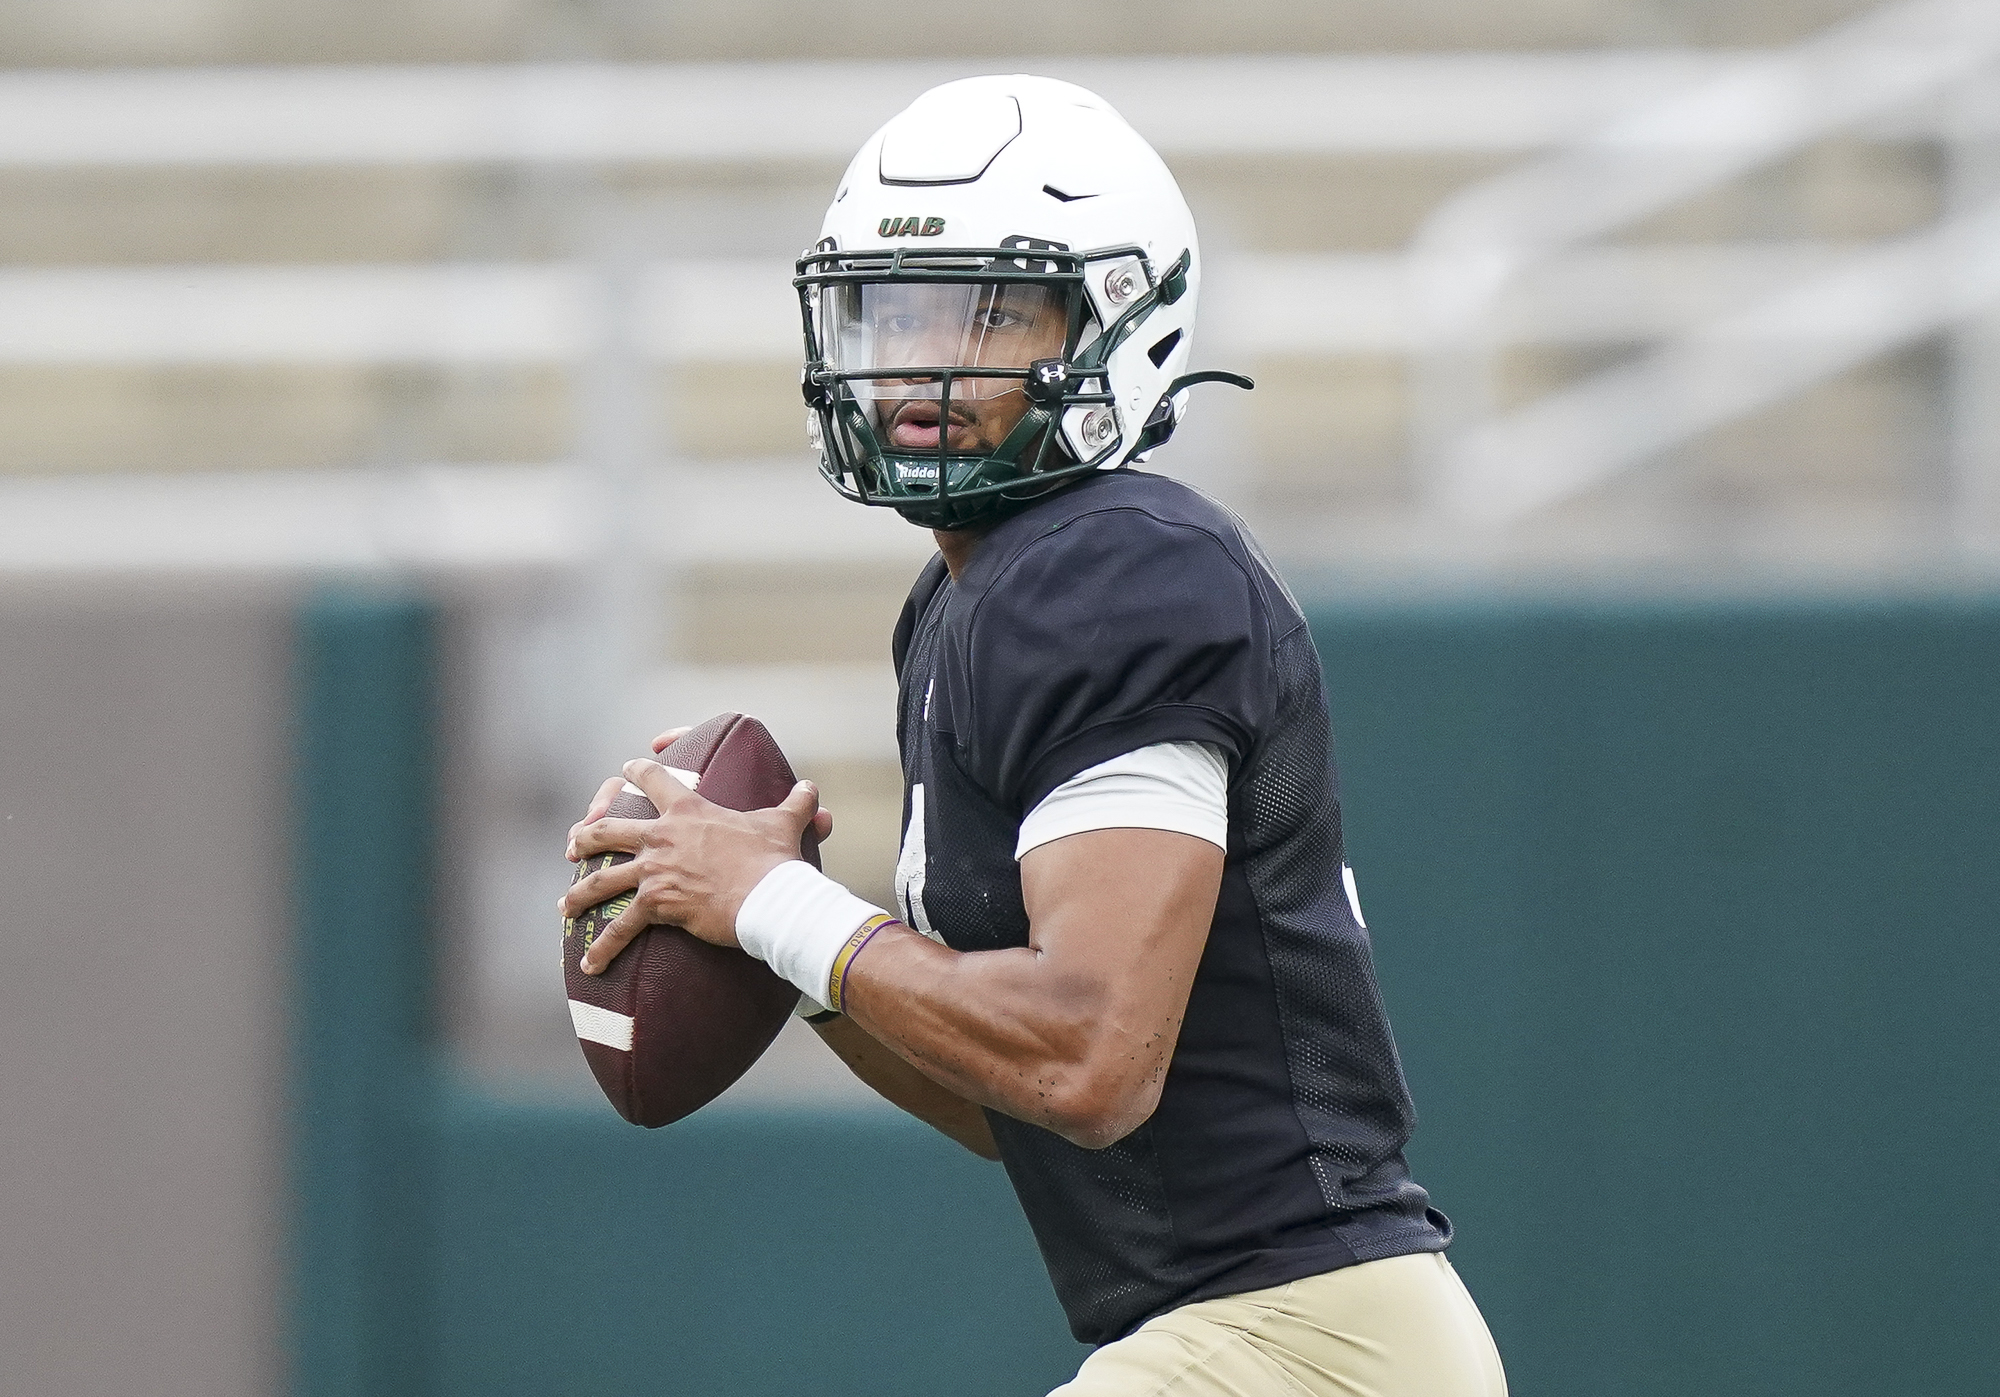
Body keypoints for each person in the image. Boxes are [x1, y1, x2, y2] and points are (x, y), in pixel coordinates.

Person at [559, 74, 1508, 1397]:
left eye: (990, 318)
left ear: (1113, 324)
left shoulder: (1115, 573)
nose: (919, 366)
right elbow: (1028, 1111)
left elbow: (1088, 1052)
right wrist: (784, 949)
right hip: (1254, 1342)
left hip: (1302, 1342)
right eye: (894, 315)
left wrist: (778, 905)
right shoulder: (963, 606)